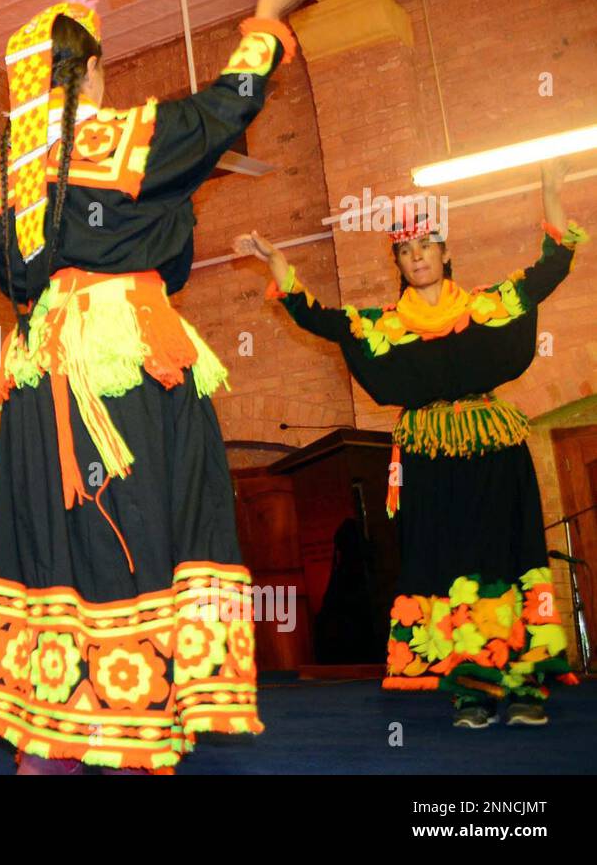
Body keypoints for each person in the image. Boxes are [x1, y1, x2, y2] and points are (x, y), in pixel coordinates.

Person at [0, 0, 323, 773]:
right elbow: (222, 111)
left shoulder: (6, 175)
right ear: (95, 71)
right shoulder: (115, 137)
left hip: (44, 376)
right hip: (124, 364)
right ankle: (126, 717)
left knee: (47, 528)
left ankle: (50, 727)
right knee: (142, 525)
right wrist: (266, 13)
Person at [239, 158, 585, 728]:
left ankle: (523, 684)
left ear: (445, 252)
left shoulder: (486, 307)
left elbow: (553, 265)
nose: (417, 255)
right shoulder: (383, 327)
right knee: (446, 567)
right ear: (398, 262)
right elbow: (320, 318)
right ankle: (470, 688)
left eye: (426, 244)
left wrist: (549, 193)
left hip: (495, 455)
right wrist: (282, 267)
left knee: (508, 558)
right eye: (406, 249)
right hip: (429, 463)